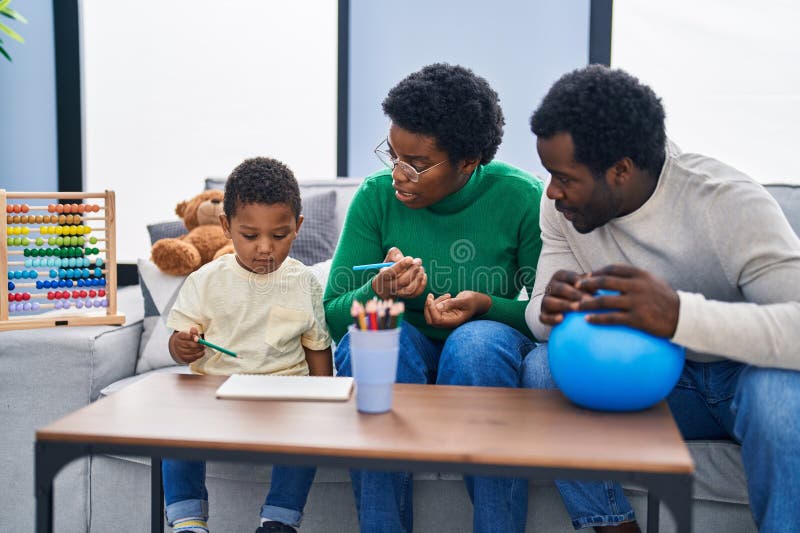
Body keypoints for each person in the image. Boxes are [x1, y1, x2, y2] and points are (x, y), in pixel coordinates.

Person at [523, 64, 800, 533]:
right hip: (653, 384)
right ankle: (614, 527)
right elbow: (536, 316)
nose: (552, 191)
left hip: (742, 380)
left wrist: (677, 316)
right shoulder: (561, 210)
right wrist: (551, 309)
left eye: (565, 177)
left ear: (621, 171)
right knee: (541, 368)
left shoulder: (726, 203)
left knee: (777, 394)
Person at [323, 63, 543, 533]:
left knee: (476, 343)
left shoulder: (521, 197)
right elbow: (333, 318)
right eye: (393, 154)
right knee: (378, 335)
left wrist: (487, 305)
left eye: (417, 164)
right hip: (407, 353)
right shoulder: (375, 197)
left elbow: (547, 313)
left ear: (468, 161)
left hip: (485, 351)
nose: (398, 174)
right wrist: (378, 293)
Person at [164, 157, 333, 533]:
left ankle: (279, 520)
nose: (265, 249)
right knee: (172, 425)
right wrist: (183, 346)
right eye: (250, 235)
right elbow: (178, 342)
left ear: (298, 228)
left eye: (279, 235)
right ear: (225, 227)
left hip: (283, 396)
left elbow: (317, 347)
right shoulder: (206, 279)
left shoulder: (303, 281)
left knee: (306, 433)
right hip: (217, 394)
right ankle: (188, 520)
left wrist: (324, 400)